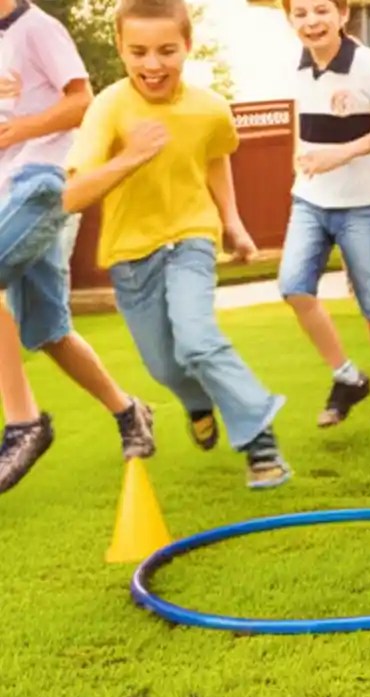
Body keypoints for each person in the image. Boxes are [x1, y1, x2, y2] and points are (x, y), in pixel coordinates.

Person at [62, 0, 291, 490]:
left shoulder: (210, 107)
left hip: (191, 237)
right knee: (164, 365)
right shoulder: (109, 107)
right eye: (138, 51)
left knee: (197, 335)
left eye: (167, 50)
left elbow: (214, 157)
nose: (152, 64)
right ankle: (196, 403)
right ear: (120, 49)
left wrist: (232, 221)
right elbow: (73, 194)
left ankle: (258, 438)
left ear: (188, 46)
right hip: (130, 254)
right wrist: (131, 157)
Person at [0, 0, 155, 496]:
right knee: (48, 331)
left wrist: (20, 128)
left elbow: (81, 100)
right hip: (9, 189)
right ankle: (129, 411)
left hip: (45, 179)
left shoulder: (38, 28)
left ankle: (23, 423)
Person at [279, 0, 370, 429]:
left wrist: (345, 153)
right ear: (290, 20)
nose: (311, 21)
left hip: (364, 204)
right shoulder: (299, 65)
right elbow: (305, 126)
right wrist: (303, 163)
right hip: (310, 199)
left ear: (342, 14)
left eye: (321, 10)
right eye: (300, 13)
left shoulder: (368, 64)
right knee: (293, 286)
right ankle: (347, 377)